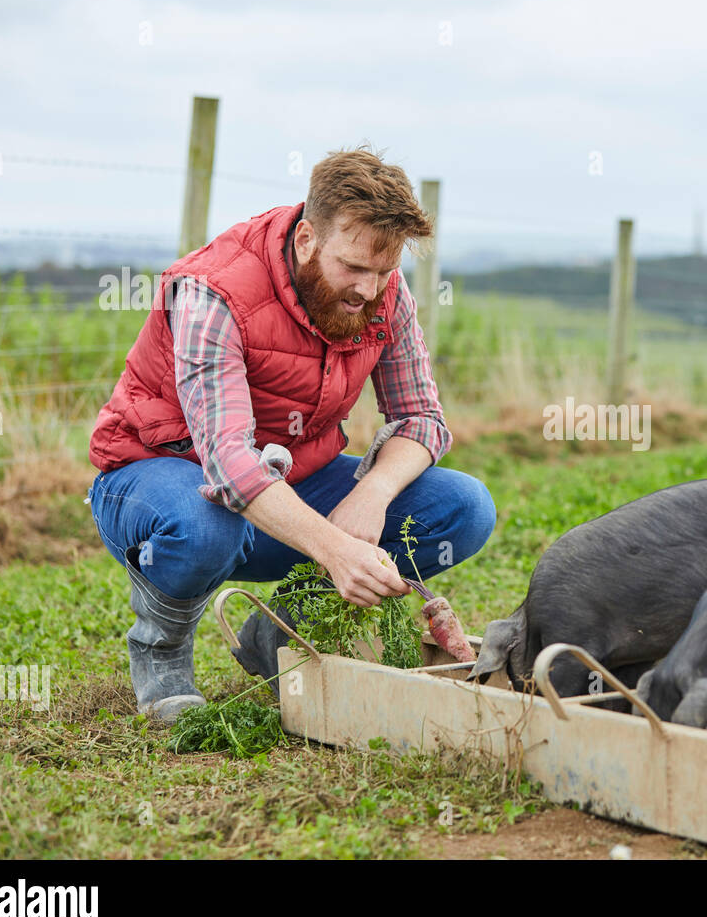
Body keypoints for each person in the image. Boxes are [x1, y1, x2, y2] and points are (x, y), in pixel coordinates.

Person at [85, 146, 495, 721]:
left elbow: (422, 419)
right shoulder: (214, 291)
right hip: (161, 477)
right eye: (353, 267)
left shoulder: (385, 292)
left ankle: (278, 634)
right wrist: (337, 550)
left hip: (292, 480)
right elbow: (228, 464)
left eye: (383, 271)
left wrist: (368, 497)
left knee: (463, 507)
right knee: (206, 525)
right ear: (306, 240)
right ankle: (161, 649)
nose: (368, 290)